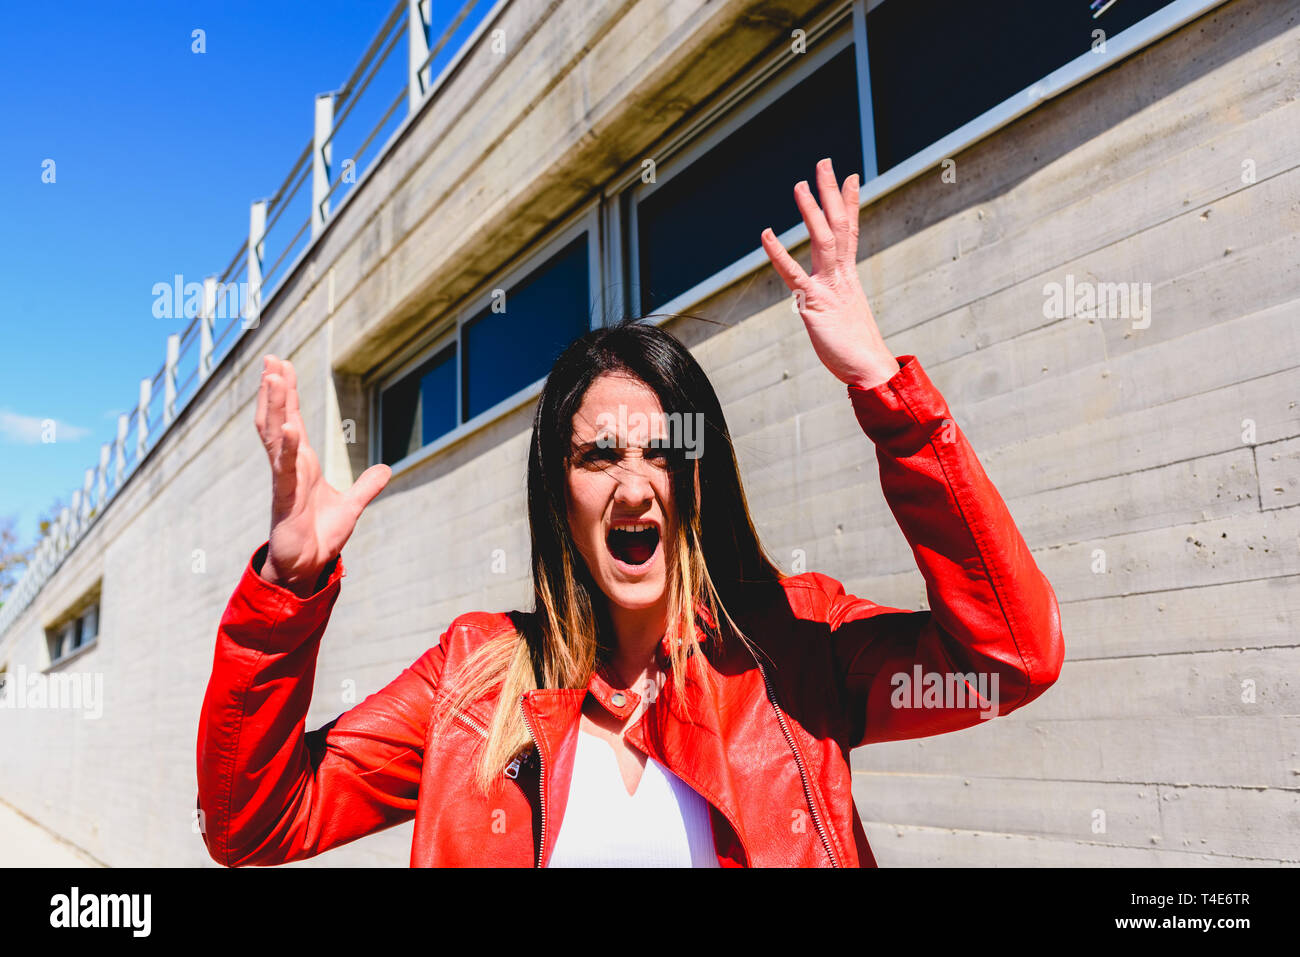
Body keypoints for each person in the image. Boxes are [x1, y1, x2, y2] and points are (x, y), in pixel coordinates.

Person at [197, 158, 1064, 867]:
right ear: (558, 494)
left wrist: (885, 390)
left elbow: (1012, 658)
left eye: (661, 452)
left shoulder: (795, 650)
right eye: (599, 455)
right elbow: (252, 822)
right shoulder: (475, 676)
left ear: (697, 480)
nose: (635, 484)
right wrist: (287, 589)